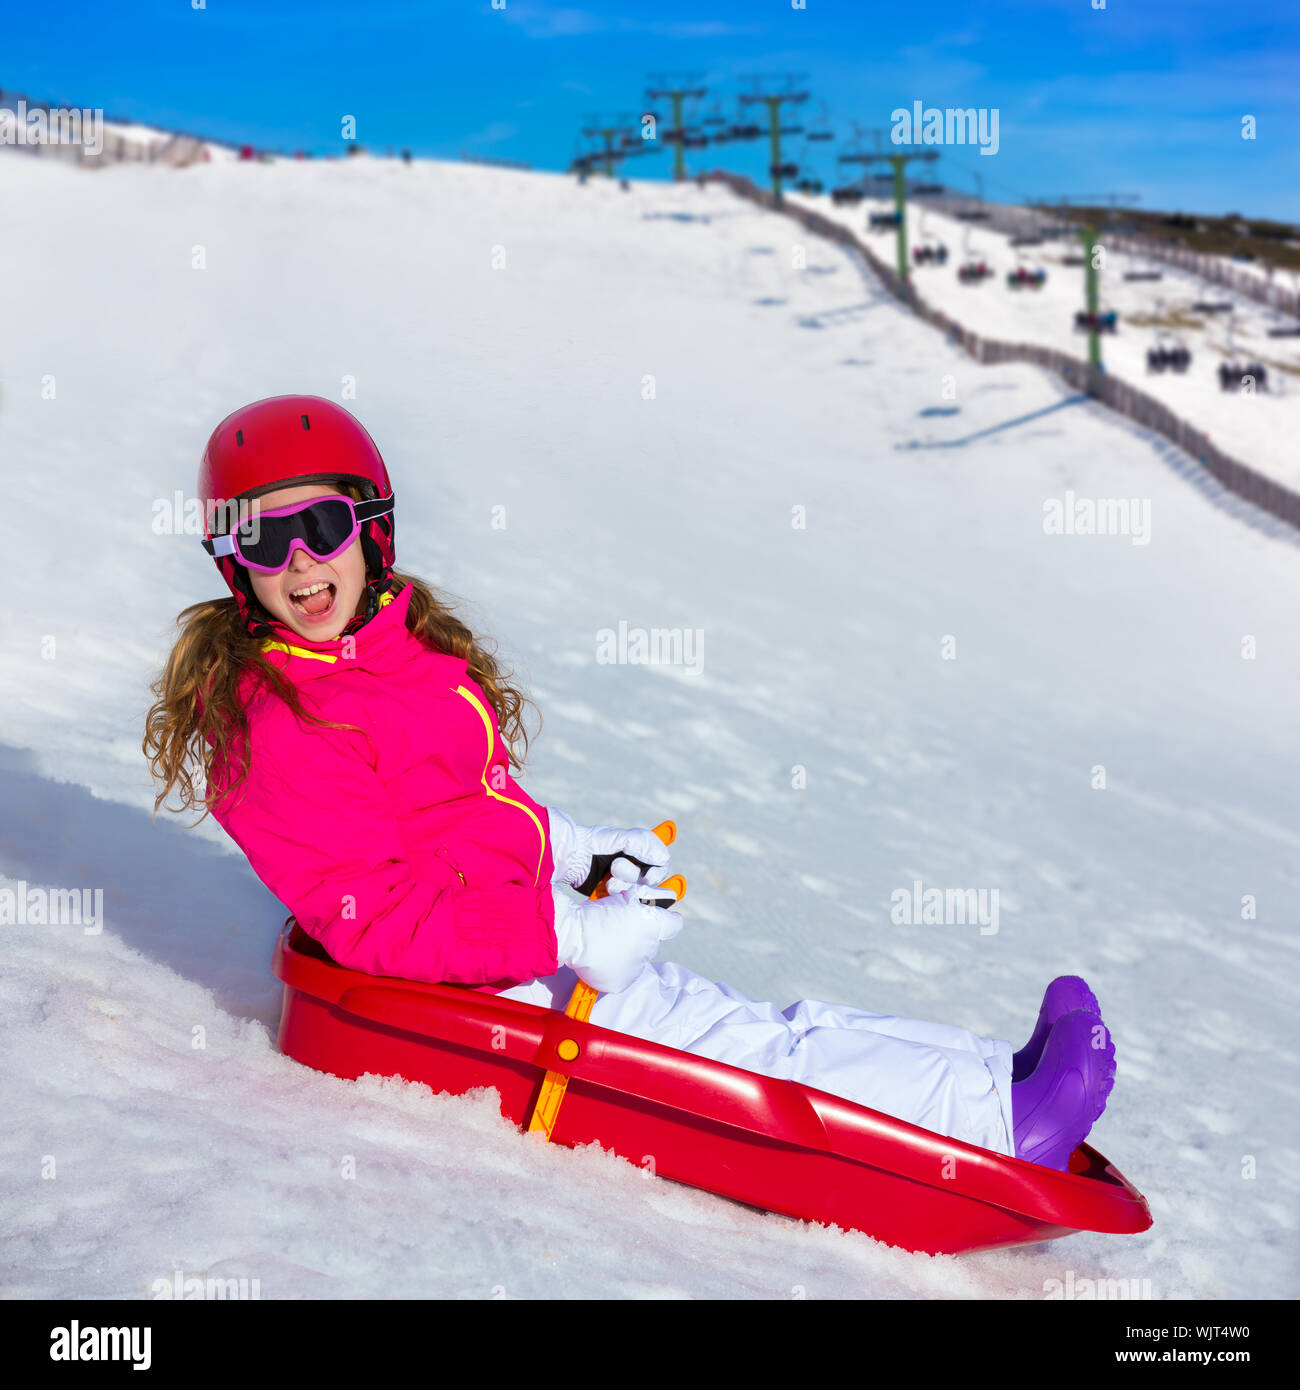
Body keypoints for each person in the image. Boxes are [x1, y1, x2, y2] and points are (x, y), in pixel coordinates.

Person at [143, 395, 1116, 1170]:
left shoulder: (390, 658)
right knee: (735, 1059)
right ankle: (997, 1128)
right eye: (266, 540)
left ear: (373, 530)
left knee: (749, 1023)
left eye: (320, 524)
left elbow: (471, 801)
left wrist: (578, 852)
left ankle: (996, 1079)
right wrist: (568, 927)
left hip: (506, 932)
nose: (301, 561)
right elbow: (377, 916)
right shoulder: (279, 721)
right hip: (461, 985)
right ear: (234, 563)